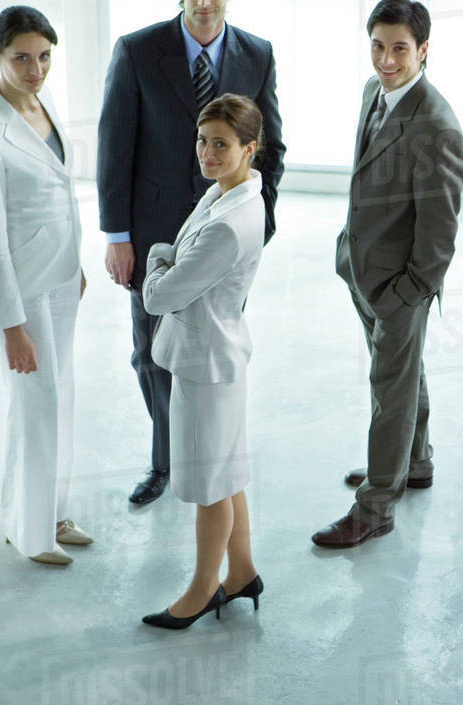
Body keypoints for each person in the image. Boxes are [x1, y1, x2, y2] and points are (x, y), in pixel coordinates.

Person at [97, 0, 285, 507]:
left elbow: (271, 146)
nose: (204, 2)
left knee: (210, 351)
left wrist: (261, 218)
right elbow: (114, 149)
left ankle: (214, 465)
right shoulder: (136, 51)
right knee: (153, 353)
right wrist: (117, 237)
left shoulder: (258, 54)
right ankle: (167, 461)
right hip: (153, 234)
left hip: (225, 241)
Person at [312, 0, 463, 549]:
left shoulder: (437, 128)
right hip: (362, 269)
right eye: (377, 46)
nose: (386, 59)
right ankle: (415, 463)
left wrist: (406, 294)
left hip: (399, 284)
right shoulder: (372, 93)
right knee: (401, 371)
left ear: (424, 51)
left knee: (390, 387)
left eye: (400, 48)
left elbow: (439, 236)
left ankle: (377, 503)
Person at [0, 6, 92, 566]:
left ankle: (52, 513)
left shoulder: (42, 102)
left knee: (60, 397)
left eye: (44, 56)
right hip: (24, 291)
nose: (36, 68)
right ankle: (31, 532)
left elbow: (58, 189)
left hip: (60, 276)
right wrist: (12, 325)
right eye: (22, 58)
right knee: (35, 405)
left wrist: (76, 261)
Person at [139, 94, 266, 629]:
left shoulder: (225, 223)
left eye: (221, 144)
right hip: (217, 355)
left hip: (204, 363)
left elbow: (159, 296)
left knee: (209, 486)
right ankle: (241, 573)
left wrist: (154, 260)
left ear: (249, 149)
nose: (207, 153)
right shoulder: (230, 194)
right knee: (228, 472)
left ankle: (200, 592)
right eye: (202, 140)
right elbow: (179, 271)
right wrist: (170, 264)